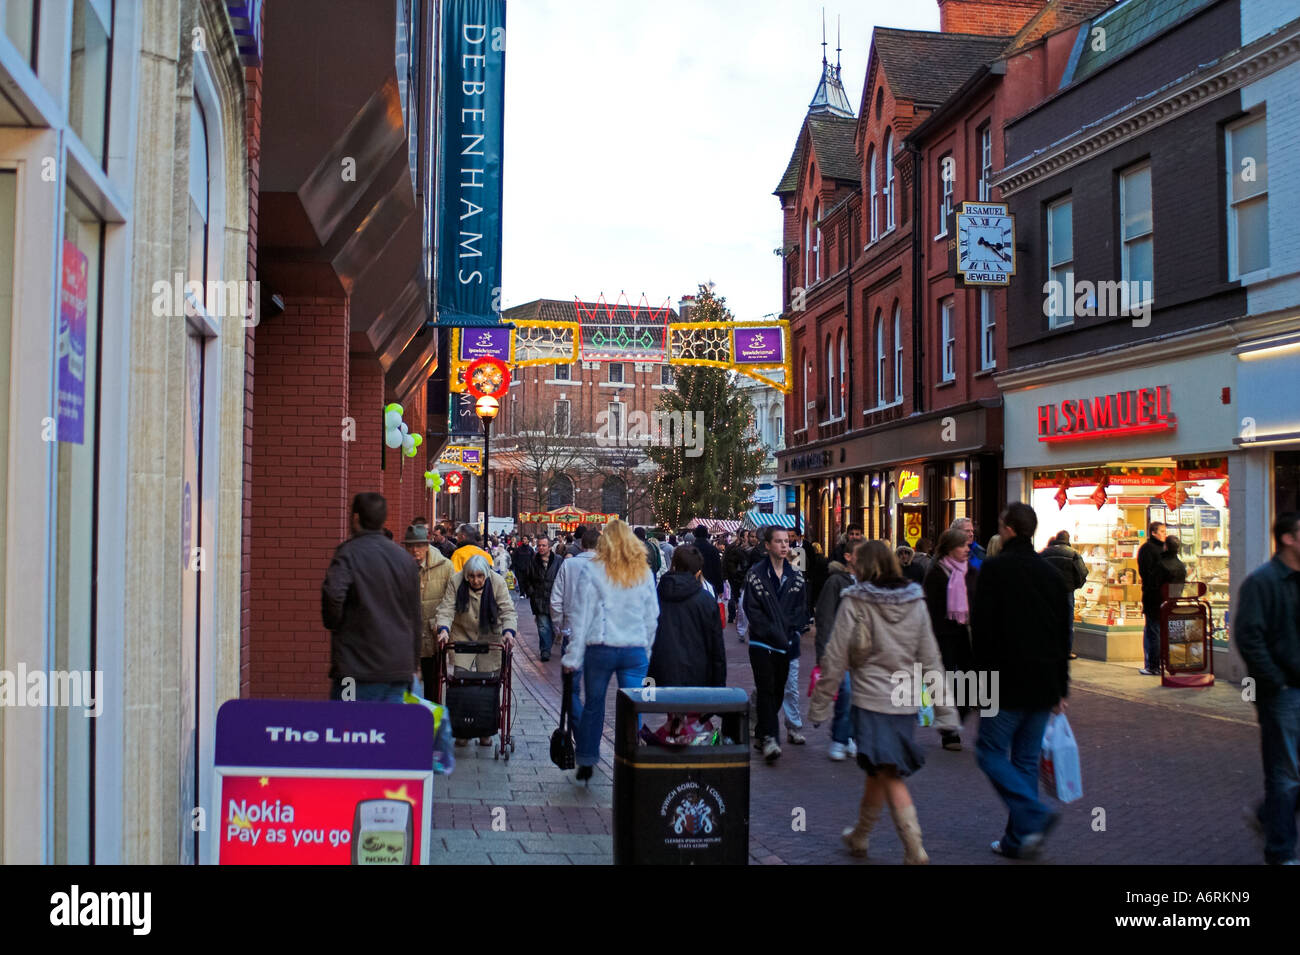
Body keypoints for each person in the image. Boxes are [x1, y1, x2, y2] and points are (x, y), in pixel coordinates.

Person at [809, 541, 947, 864]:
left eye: (857, 562)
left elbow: (835, 656)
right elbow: (930, 658)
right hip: (905, 700)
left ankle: (914, 848)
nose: (852, 566)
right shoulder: (915, 601)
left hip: (871, 701)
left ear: (866, 567)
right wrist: (945, 710)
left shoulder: (855, 601)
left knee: (888, 773)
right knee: (879, 768)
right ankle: (860, 835)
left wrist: (819, 704)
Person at [972, 502, 1070, 859]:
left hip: (1005, 682)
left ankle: (1033, 816)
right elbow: (1064, 634)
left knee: (990, 752)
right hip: (1043, 684)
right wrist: (1061, 687)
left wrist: (975, 687)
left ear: (1010, 529)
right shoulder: (1050, 575)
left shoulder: (995, 571)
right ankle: (1019, 839)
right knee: (1025, 761)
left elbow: (982, 634)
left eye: (1001, 525)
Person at [562, 519, 660, 781]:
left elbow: (580, 616)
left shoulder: (593, 571)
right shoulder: (644, 572)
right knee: (633, 705)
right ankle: (631, 756)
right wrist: (647, 650)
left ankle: (587, 758)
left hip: (601, 646)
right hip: (634, 648)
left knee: (594, 705)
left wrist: (573, 655)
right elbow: (653, 616)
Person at [1235, 512, 1300, 865]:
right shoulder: (1263, 582)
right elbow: (1248, 636)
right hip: (1284, 693)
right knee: (1285, 775)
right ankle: (1281, 853)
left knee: (1289, 776)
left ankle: (1267, 817)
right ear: (1289, 538)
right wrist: (1274, 681)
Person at [321, 492, 422, 702]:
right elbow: (415, 615)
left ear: (356, 519)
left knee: (349, 728)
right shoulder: (405, 560)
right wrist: (414, 664)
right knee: (389, 731)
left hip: (355, 668)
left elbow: (333, 596)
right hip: (397, 667)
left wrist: (335, 622)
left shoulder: (348, 554)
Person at [435, 553, 518, 746]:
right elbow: (446, 608)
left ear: (486, 574)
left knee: (488, 683)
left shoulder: (497, 582)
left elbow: (507, 609)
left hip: (490, 635)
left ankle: (485, 730)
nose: (476, 580)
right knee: (459, 681)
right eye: (471, 576)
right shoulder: (456, 581)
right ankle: (462, 729)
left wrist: (508, 632)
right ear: (465, 575)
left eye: (480, 576)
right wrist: (443, 629)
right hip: (462, 633)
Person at [743, 525, 809, 763]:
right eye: (779, 541)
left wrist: (793, 630)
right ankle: (771, 737)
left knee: (779, 689)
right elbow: (753, 609)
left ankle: (761, 733)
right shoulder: (756, 575)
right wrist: (770, 632)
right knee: (766, 687)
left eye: (786, 542)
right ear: (767, 545)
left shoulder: (796, 576)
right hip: (762, 643)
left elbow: (801, 608)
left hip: (787, 643)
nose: (784, 546)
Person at [923, 528, 978, 752]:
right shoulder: (936, 573)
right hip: (942, 634)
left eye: (967, 545)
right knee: (942, 681)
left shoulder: (971, 573)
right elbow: (930, 608)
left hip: (966, 634)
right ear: (949, 548)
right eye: (961, 545)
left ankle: (956, 718)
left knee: (972, 681)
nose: (967, 549)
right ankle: (949, 731)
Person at [647, 545, 725, 688]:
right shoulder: (706, 600)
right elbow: (716, 645)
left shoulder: (658, 595)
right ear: (698, 572)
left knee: (673, 706)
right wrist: (719, 683)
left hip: (664, 667)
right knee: (693, 707)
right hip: (699, 671)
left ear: (674, 566)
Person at [551, 523, 600, 723]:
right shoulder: (607, 568)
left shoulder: (568, 565)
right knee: (596, 691)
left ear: (581, 544)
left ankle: (578, 724)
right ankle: (589, 731)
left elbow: (555, 600)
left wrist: (559, 628)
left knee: (571, 687)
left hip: (571, 631)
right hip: (598, 635)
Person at [813, 550, 857, 761]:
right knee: (847, 691)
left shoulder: (872, 582)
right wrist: (824, 651)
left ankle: (850, 734)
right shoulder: (836, 582)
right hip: (842, 649)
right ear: (849, 556)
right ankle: (840, 738)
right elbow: (825, 616)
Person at [404, 523, 453, 696]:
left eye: (418, 545)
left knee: (433, 690)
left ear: (426, 545)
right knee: (409, 693)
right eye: (410, 546)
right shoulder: (401, 567)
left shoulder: (446, 567)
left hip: (434, 638)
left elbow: (450, 600)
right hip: (409, 640)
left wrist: (440, 624)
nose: (414, 550)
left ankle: (432, 722)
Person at [1040, 530, 1088, 660]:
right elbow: (1083, 572)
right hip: (1066, 592)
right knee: (1067, 622)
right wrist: (1075, 586)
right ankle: (1066, 651)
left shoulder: (1045, 553)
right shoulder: (1073, 553)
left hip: (1048, 592)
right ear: (1068, 539)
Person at [1137, 521, 1169, 675]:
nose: (1165, 534)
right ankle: (1154, 664)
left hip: (1158, 596)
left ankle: (1153, 664)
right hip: (1155, 596)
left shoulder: (1162, 548)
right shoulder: (1148, 549)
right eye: (1162, 531)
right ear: (1154, 533)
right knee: (1154, 630)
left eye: (1165, 531)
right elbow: (1146, 574)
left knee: (1154, 630)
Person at [527, 536, 563, 661]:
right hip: (539, 598)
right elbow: (527, 577)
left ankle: (548, 644)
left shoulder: (558, 560)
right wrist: (531, 591)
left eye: (544, 545)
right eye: (539, 545)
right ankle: (545, 650)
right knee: (543, 626)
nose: (541, 548)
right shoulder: (533, 560)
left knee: (553, 626)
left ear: (549, 547)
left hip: (554, 598)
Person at [723, 533, 749, 623]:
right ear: (742, 537)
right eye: (747, 535)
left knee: (736, 596)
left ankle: (735, 617)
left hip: (739, 576)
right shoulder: (736, 548)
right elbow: (728, 562)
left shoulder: (747, 548)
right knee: (735, 596)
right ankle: (734, 617)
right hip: (736, 576)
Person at [692, 525, 724, 595]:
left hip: (693, 584)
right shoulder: (713, 549)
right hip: (711, 584)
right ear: (706, 534)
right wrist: (720, 589)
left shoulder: (690, 549)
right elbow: (717, 569)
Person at [1155, 535, 1188, 601]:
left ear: (1166, 547)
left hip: (1160, 603)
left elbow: (1154, 586)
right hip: (1174, 602)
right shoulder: (1181, 566)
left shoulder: (1160, 564)